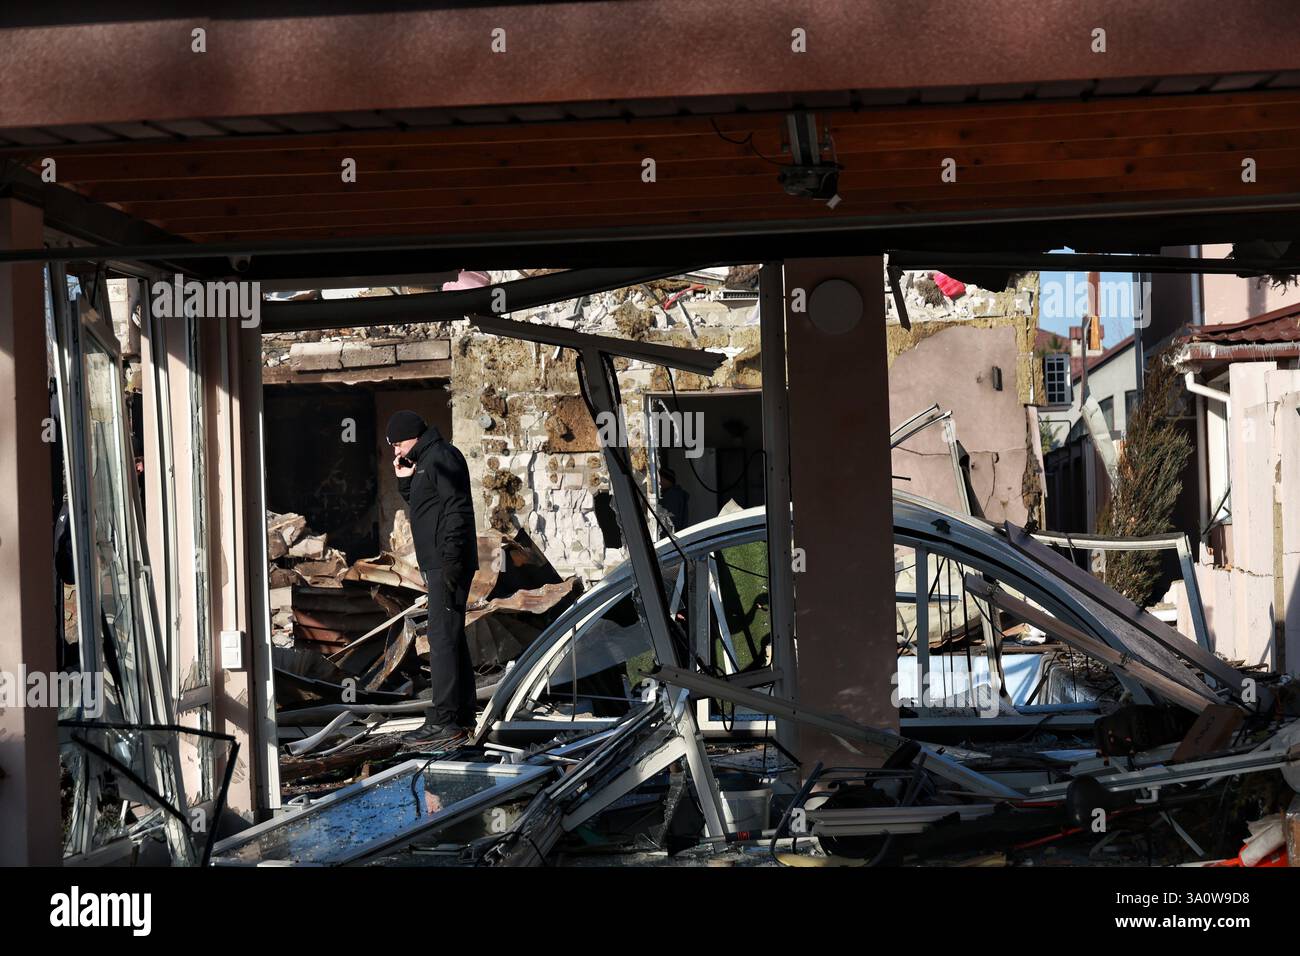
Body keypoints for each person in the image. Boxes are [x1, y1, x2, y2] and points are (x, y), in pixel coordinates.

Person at [386, 410, 479, 751]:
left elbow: (457, 509)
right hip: (438, 564)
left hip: (446, 564)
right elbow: (427, 507)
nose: (396, 451)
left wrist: (452, 560)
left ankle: (444, 721)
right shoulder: (425, 460)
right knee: (451, 637)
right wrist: (405, 481)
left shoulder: (442, 456)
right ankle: (461, 716)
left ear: (412, 436)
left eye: (398, 444)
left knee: (441, 639)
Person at [659, 467, 690, 533]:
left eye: (660, 478)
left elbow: (669, 519)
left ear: (667, 479)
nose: (659, 482)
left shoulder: (672, 495)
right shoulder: (676, 494)